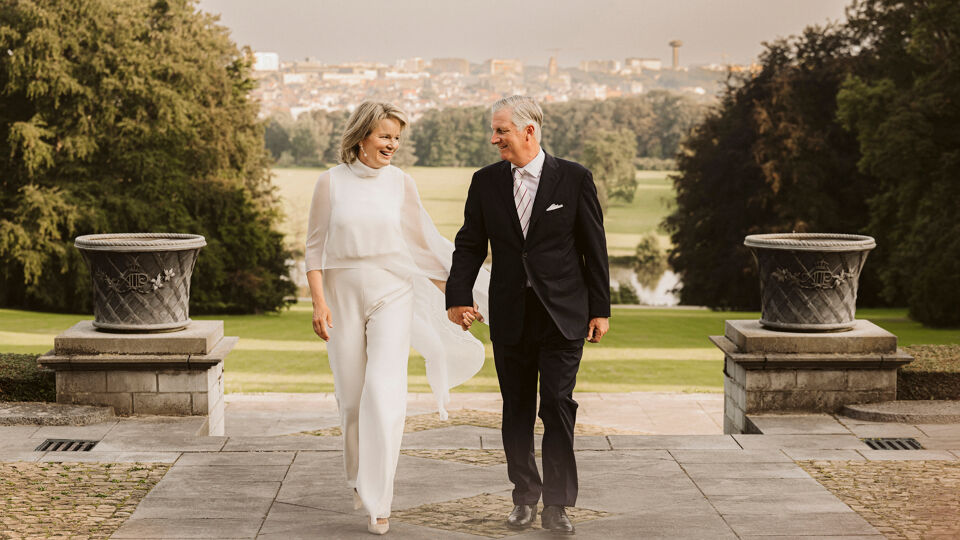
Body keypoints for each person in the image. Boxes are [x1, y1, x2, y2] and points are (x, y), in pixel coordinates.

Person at [305, 101, 488, 535]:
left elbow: (422, 249)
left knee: (385, 392)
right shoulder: (330, 182)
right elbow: (313, 249)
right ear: (362, 137)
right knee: (352, 399)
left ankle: (379, 500)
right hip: (342, 295)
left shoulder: (402, 183)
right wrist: (318, 303)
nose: (392, 144)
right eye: (385, 136)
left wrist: (456, 298)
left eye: (397, 138)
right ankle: (359, 477)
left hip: (393, 292)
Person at [445, 95, 611, 535]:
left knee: (557, 405)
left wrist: (600, 309)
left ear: (528, 131)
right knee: (516, 409)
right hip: (510, 315)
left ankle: (558, 504)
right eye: (494, 130)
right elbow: (469, 244)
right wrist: (457, 297)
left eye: (501, 130)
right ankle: (524, 497)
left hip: (563, 315)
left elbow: (593, 247)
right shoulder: (485, 182)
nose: (494, 138)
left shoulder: (574, 178)